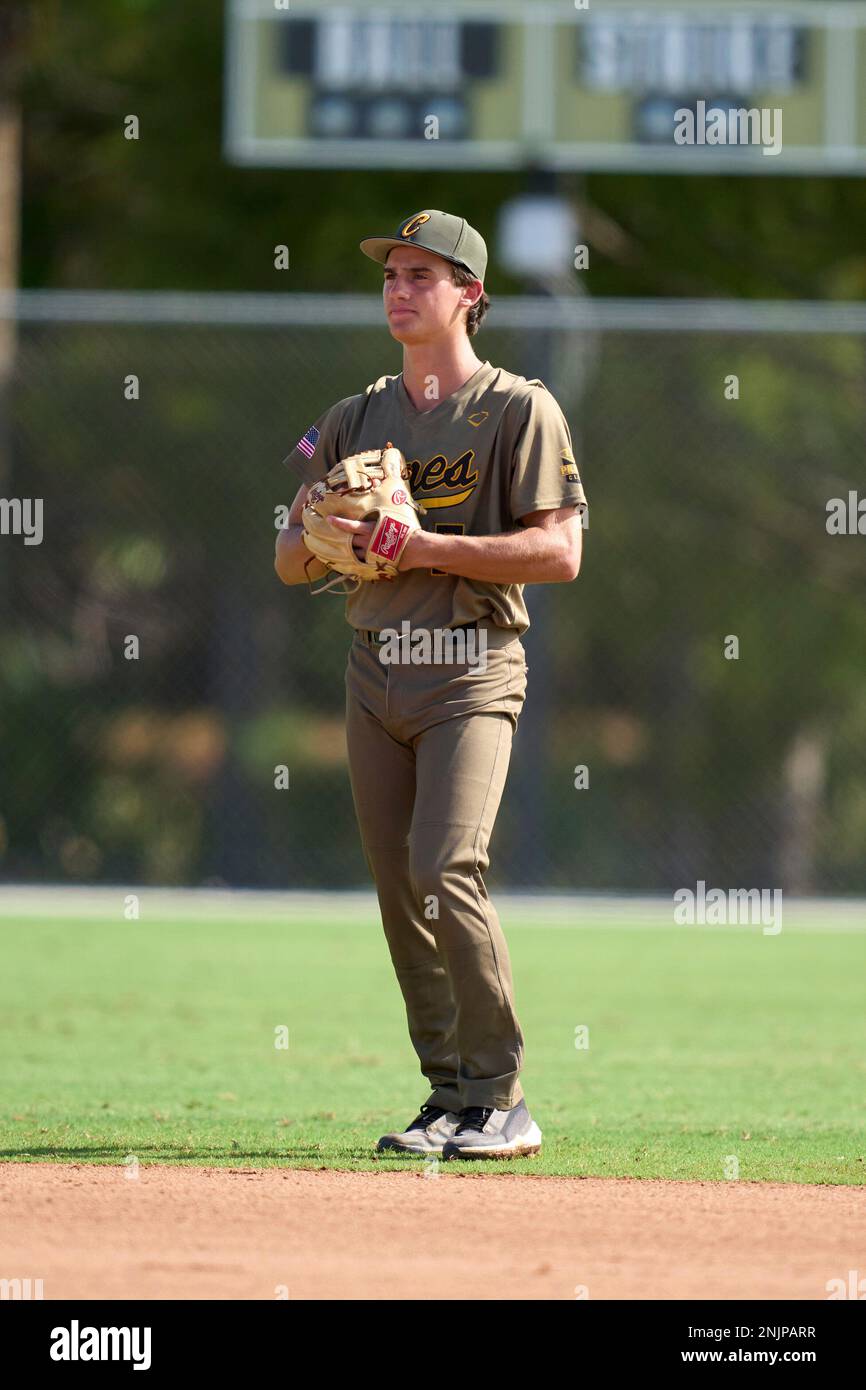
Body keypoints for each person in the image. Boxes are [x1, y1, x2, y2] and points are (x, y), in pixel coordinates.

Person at [275, 209, 587, 1159]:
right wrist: (321, 538)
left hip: (470, 669)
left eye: (423, 275)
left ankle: (503, 1097)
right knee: (396, 889)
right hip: (376, 674)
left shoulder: (518, 409)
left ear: (471, 296)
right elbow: (288, 558)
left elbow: (559, 552)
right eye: (392, 275)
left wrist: (424, 545)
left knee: (445, 870)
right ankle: (450, 1097)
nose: (400, 289)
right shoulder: (353, 417)